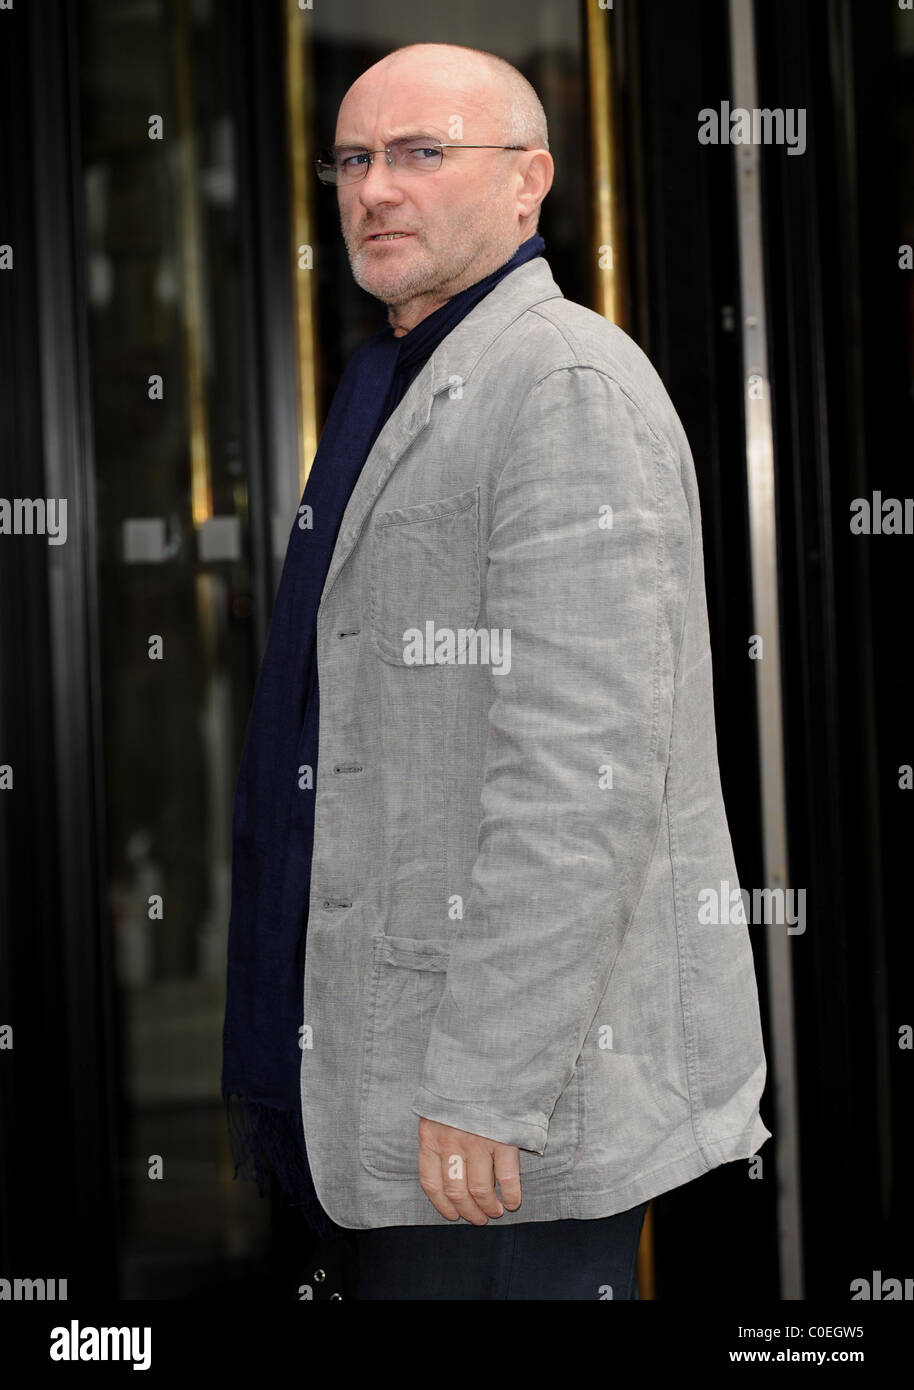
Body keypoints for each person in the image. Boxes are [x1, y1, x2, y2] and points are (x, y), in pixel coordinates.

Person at [221, 41, 771, 1301]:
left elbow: (581, 786)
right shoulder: (392, 381)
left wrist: (485, 1085)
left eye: (421, 152)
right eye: (353, 159)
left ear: (529, 182)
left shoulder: (562, 383)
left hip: (500, 1122)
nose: (374, 188)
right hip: (399, 1078)